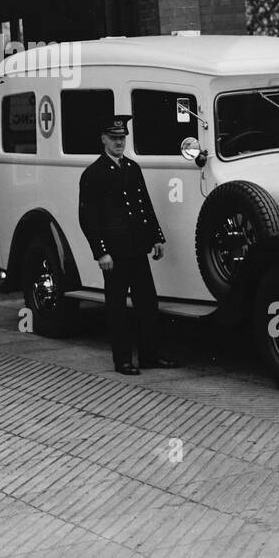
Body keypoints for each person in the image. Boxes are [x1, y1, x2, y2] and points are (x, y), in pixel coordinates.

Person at [78, 115, 180, 375]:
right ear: (103, 139)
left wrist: (156, 236)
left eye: (122, 138)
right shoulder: (94, 174)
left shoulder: (132, 168)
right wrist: (100, 251)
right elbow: (88, 217)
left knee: (147, 303)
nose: (119, 143)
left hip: (137, 248)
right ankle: (122, 360)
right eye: (114, 139)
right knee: (117, 309)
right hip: (114, 252)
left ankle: (150, 355)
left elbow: (144, 205)